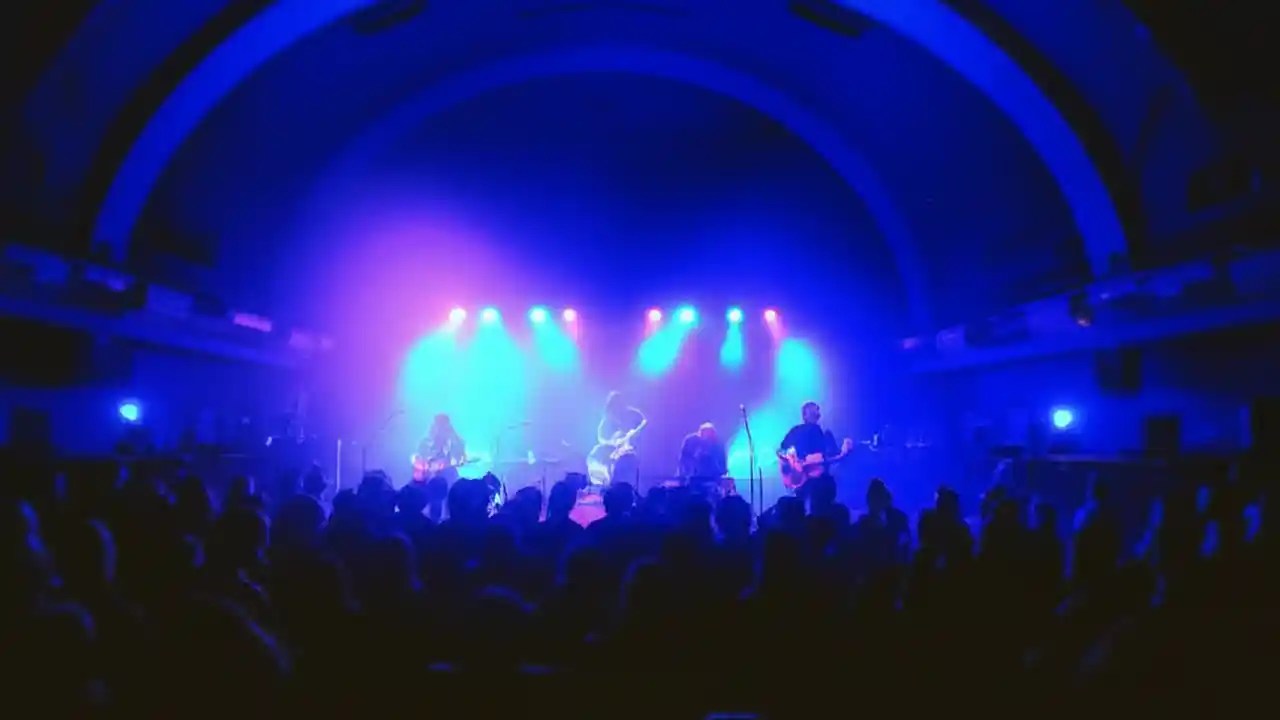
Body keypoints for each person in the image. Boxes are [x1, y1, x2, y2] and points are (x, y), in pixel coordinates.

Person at [777, 401, 853, 503]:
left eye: (816, 410)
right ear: (804, 415)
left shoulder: (823, 433)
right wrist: (794, 463)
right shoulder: (796, 431)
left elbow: (827, 456)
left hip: (818, 481)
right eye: (812, 410)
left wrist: (843, 453)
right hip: (803, 481)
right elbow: (781, 450)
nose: (816, 413)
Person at [587, 392, 647, 487]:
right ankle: (602, 482)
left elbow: (644, 422)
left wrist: (634, 433)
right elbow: (601, 436)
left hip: (628, 449)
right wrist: (611, 443)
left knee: (624, 460)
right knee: (596, 454)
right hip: (613, 448)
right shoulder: (608, 417)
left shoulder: (632, 413)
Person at [415, 414, 466, 522]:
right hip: (431, 478)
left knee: (451, 503)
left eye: (444, 425)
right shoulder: (426, 442)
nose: (441, 429)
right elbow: (420, 458)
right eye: (439, 424)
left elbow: (461, 459)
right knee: (433, 506)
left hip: (449, 477)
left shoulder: (456, 442)